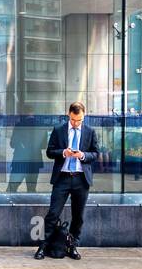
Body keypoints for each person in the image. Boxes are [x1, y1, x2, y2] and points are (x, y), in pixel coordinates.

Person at [36, 102, 99, 261]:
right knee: (53, 214)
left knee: (78, 216)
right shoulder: (59, 130)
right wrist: (63, 152)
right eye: (73, 120)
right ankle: (43, 247)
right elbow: (50, 152)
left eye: (79, 120)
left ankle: (72, 246)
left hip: (81, 179)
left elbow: (96, 153)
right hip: (62, 178)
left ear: (83, 117)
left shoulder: (90, 131)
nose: (76, 123)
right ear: (68, 115)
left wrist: (83, 155)